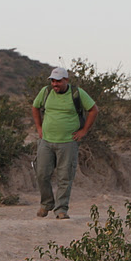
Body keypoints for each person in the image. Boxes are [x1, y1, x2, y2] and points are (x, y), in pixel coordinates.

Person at [31, 67, 98, 219]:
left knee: (65, 176)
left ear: (66, 80)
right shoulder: (45, 92)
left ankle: (61, 210)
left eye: (59, 81)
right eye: (53, 81)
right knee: (41, 173)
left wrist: (84, 131)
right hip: (46, 141)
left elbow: (93, 110)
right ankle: (46, 204)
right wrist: (39, 128)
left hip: (68, 142)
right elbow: (35, 107)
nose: (55, 84)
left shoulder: (77, 93)